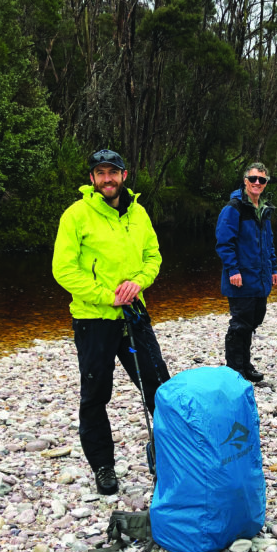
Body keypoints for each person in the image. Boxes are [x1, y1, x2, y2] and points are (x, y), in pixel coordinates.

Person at [52, 149, 171, 495]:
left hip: (134, 315)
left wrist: (139, 282)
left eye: (113, 172)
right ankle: (103, 466)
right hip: (94, 319)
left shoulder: (139, 214)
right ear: (91, 178)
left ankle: (167, 455)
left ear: (124, 175)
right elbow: (64, 269)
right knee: (95, 395)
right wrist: (107, 295)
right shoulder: (76, 215)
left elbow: (153, 257)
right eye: (100, 173)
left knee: (160, 388)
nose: (107, 178)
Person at [216, 162, 277, 382]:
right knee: (240, 323)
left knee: (254, 319)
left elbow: (268, 242)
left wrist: (273, 268)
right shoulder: (233, 208)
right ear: (245, 181)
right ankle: (234, 369)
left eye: (262, 180)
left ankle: (245, 364)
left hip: (260, 278)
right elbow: (224, 242)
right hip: (240, 278)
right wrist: (233, 270)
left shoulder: (265, 209)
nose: (257, 183)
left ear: (266, 183)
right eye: (253, 179)